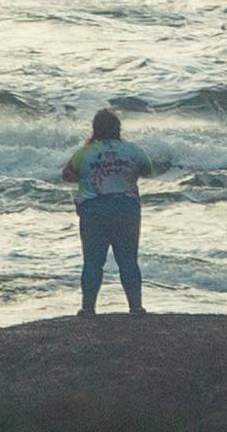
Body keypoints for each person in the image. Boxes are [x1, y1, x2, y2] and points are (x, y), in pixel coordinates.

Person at [59, 105, 158, 315]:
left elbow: (67, 175)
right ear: (118, 129)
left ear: (95, 129)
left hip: (93, 210)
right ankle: (136, 307)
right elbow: (148, 170)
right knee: (128, 260)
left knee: (93, 262)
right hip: (126, 209)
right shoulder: (132, 150)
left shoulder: (85, 152)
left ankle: (88, 308)